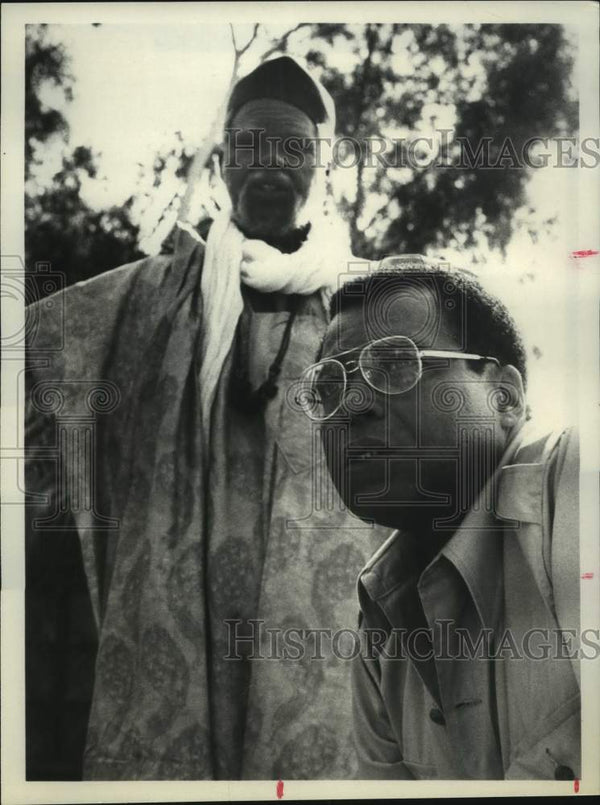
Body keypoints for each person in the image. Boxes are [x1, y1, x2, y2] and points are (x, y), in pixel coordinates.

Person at [25, 56, 387, 780]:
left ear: (322, 165)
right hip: (174, 595)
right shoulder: (154, 295)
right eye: (250, 146)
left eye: (293, 148)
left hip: (313, 611)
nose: (270, 165)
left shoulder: (367, 302)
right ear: (223, 161)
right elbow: (34, 347)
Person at [300, 257, 580, 779]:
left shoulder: (576, 487)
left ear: (505, 396)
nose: (353, 403)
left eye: (395, 365)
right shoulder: (380, 630)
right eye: (329, 388)